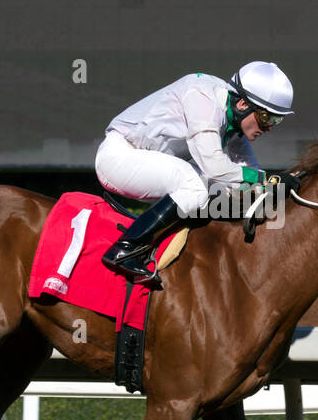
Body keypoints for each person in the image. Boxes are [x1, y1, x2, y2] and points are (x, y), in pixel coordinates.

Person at [95, 61, 294, 286]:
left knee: (224, 186)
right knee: (197, 184)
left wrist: (278, 187)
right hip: (118, 157)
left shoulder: (233, 116)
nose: (269, 127)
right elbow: (214, 166)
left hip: (144, 160)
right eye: (268, 118)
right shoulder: (202, 98)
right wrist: (264, 179)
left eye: (278, 120)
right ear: (241, 104)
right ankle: (124, 249)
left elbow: (248, 174)